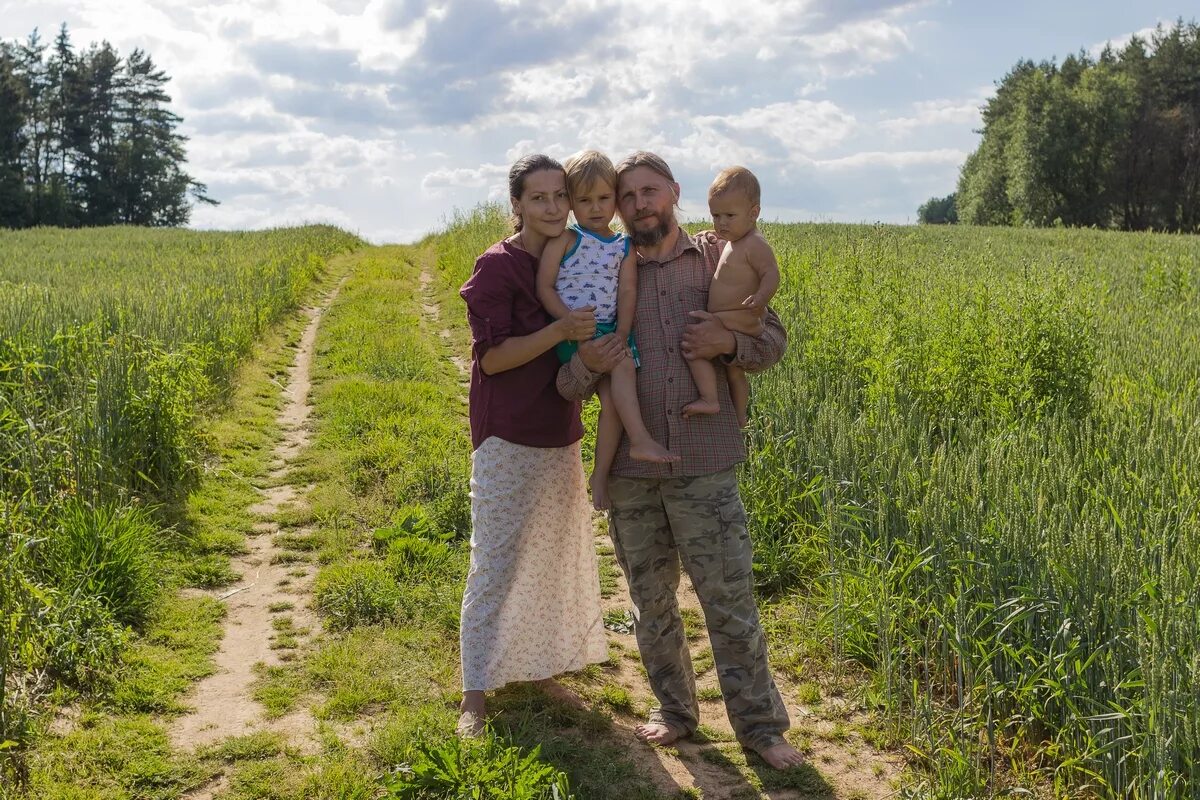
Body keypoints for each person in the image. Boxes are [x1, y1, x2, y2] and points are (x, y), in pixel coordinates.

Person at [556, 151, 805, 769]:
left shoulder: (718, 255)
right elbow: (566, 384)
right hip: (634, 476)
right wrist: (590, 361)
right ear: (616, 207)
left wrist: (733, 342)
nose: (640, 204)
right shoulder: (603, 268)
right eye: (627, 195)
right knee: (652, 603)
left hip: (705, 463)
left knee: (728, 601)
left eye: (650, 191)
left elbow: (771, 339)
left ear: (672, 192)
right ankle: (674, 713)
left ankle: (761, 730)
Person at [456, 153, 608, 737]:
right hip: (506, 432)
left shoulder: (574, 252)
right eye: (537, 198)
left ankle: (539, 667)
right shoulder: (498, 266)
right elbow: (492, 359)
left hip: (560, 428)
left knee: (549, 553)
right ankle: (474, 694)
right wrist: (558, 332)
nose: (551, 207)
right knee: (495, 560)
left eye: (558, 196)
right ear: (516, 204)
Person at [537, 150, 678, 510]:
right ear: (571, 203)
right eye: (585, 200)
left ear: (614, 201)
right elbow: (545, 286)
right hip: (576, 331)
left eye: (604, 198)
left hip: (612, 330)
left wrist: (623, 333)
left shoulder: (623, 246)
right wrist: (567, 322)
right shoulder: (566, 240)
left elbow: (628, 290)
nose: (596, 208)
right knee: (624, 370)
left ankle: (600, 474)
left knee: (614, 401)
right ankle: (641, 438)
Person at [682, 166, 781, 428]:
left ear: (754, 213)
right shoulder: (732, 241)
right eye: (716, 215)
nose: (721, 223)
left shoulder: (755, 244)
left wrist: (760, 298)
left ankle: (709, 397)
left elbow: (772, 274)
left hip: (738, 316)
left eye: (729, 216)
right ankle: (739, 417)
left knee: (696, 346)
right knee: (734, 372)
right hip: (728, 317)